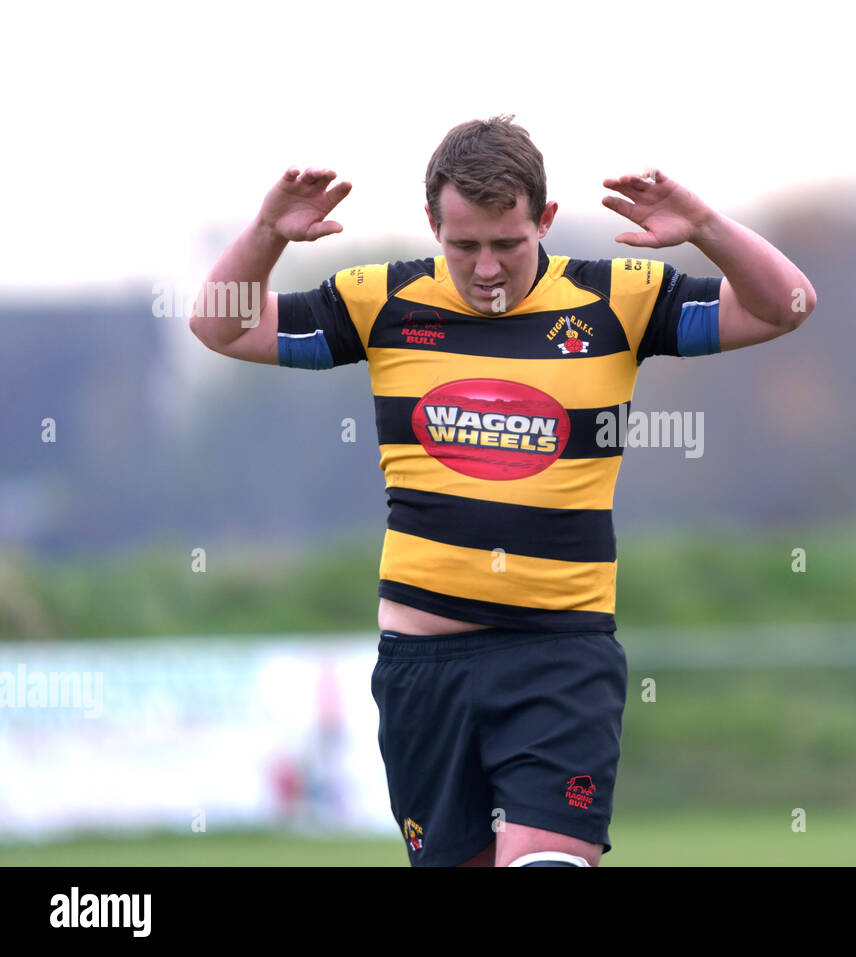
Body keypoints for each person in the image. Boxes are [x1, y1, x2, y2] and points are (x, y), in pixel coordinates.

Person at [188, 115, 816, 867]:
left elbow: (789, 305)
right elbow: (218, 327)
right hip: (424, 670)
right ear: (432, 226)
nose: (486, 269)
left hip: (560, 658)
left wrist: (707, 226)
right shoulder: (380, 300)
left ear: (544, 220)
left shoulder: (618, 298)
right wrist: (267, 232)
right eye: (464, 247)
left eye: (507, 244)